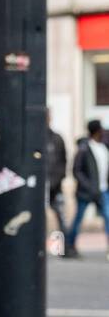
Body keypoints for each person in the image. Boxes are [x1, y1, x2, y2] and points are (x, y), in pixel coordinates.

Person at [67, 119, 109, 259]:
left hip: (103, 190)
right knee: (78, 220)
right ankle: (70, 247)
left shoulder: (104, 147)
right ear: (96, 131)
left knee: (108, 218)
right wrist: (89, 186)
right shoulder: (84, 148)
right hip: (86, 192)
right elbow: (76, 170)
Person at [47, 111, 69, 249]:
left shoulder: (56, 138)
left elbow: (63, 162)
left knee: (60, 217)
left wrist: (56, 180)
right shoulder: (34, 137)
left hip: (55, 186)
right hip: (38, 186)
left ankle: (64, 247)